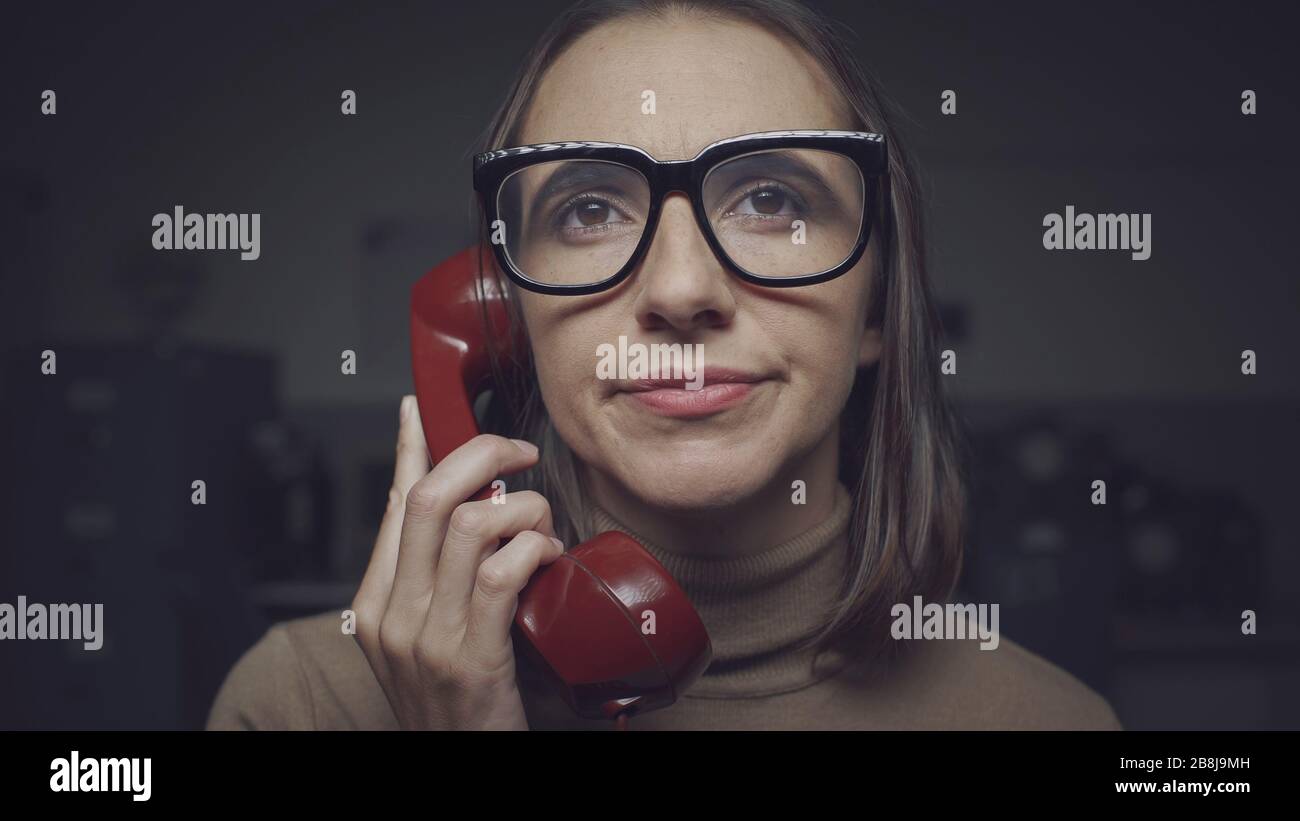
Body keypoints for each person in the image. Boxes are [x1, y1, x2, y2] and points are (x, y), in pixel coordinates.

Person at [208, 0, 1121, 731]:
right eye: (588, 209)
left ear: (876, 306)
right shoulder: (304, 706)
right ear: (506, 314)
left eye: (771, 199)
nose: (682, 288)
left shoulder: (1054, 722)